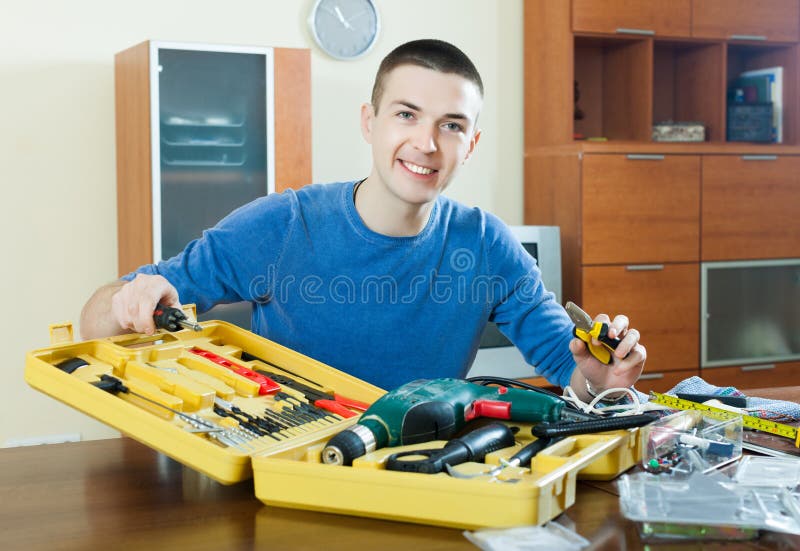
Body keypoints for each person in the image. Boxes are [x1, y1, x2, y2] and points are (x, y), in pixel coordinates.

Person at [80, 39, 646, 397]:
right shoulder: (280, 226)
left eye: (451, 125)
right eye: (406, 115)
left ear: (470, 144)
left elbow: (567, 366)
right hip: (283, 468)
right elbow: (94, 320)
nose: (425, 143)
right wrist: (129, 301)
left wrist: (604, 377)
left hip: (421, 468)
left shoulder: (489, 246)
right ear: (370, 121)